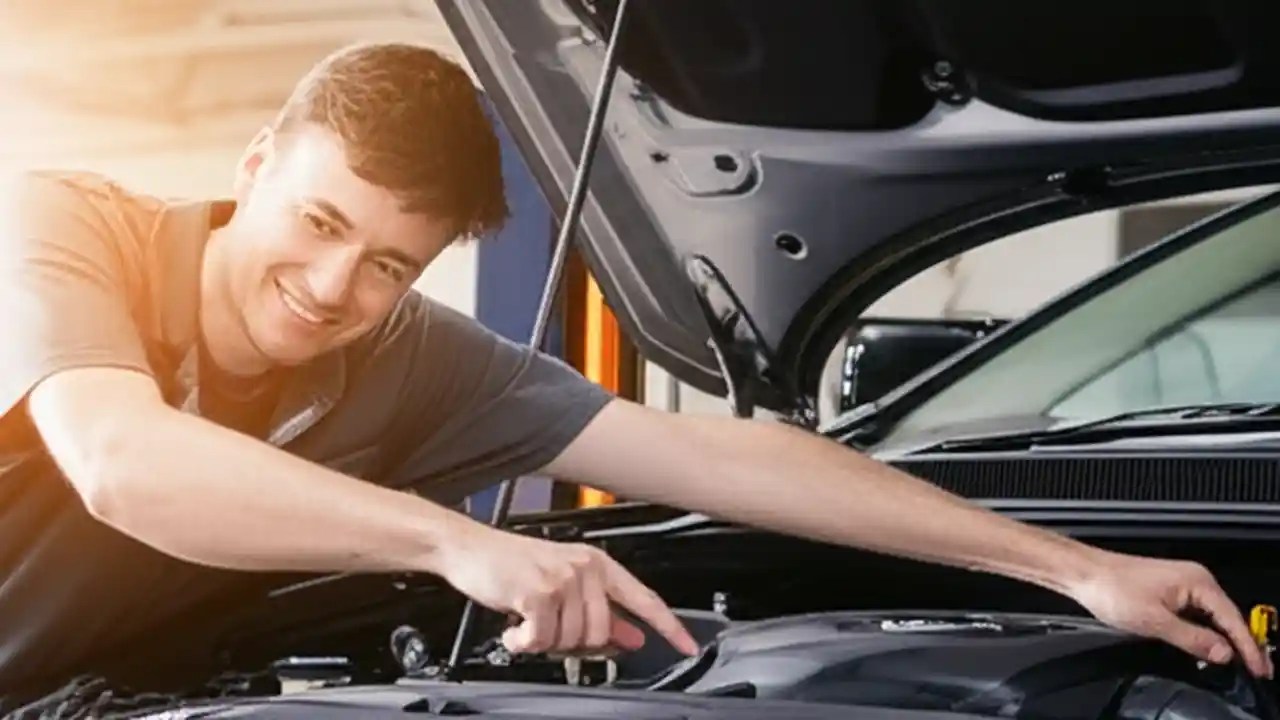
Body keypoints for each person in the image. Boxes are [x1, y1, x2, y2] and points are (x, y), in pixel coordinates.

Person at [0, 41, 1269, 705]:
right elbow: (125, 466)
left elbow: (717, 456)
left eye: (392, 265)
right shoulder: (62, 230)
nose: (337, 291)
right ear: (259, 161)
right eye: (321, 226)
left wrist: (1077, 567)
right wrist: (457, 544)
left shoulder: (409, 361)